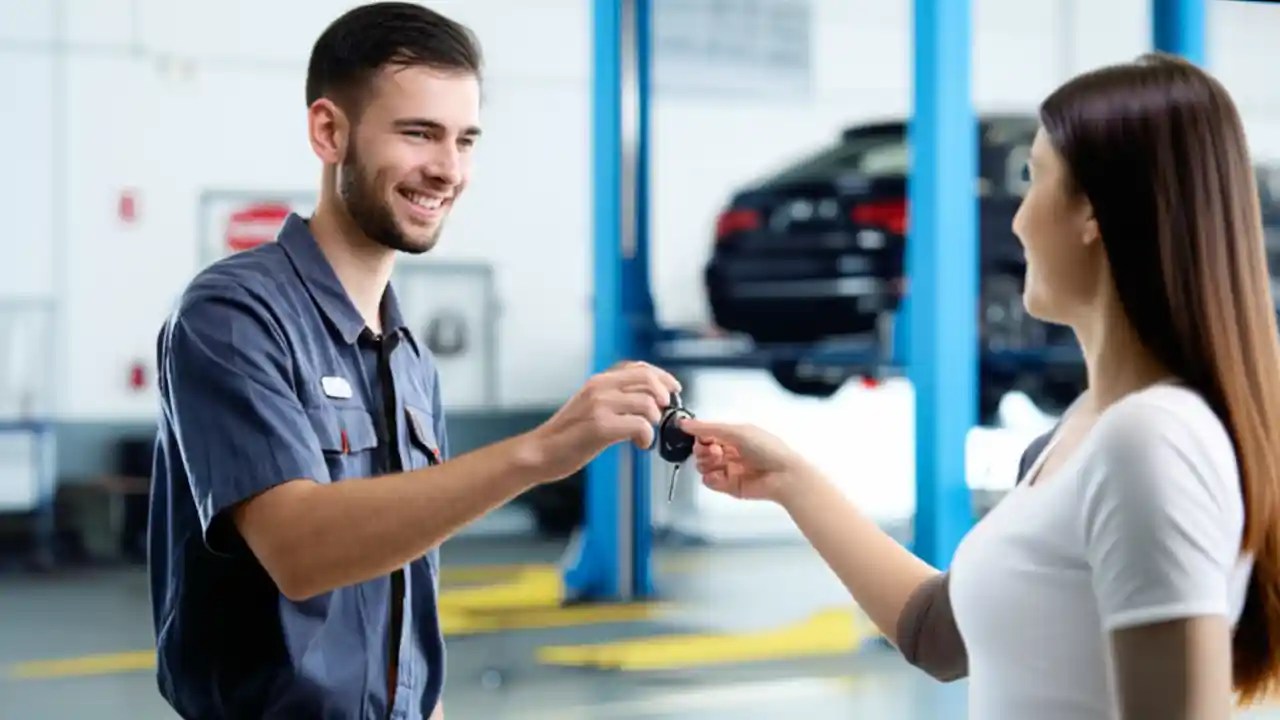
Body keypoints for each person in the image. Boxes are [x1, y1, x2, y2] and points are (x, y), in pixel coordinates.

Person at [680, 52, 1280, 719]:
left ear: (1094, 216)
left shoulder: (1150, 441)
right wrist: (789, 479)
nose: (1019, 220)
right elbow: (937, 635)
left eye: (1034, 181)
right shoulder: (1081, 433)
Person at [146, 4, 679, 719]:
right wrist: (540, 452)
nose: (448, 169)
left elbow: (399, 582)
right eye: (419, 133)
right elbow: (300, 549)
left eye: (465, 140)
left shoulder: (410, 359)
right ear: (328, 131)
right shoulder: (233, 316)